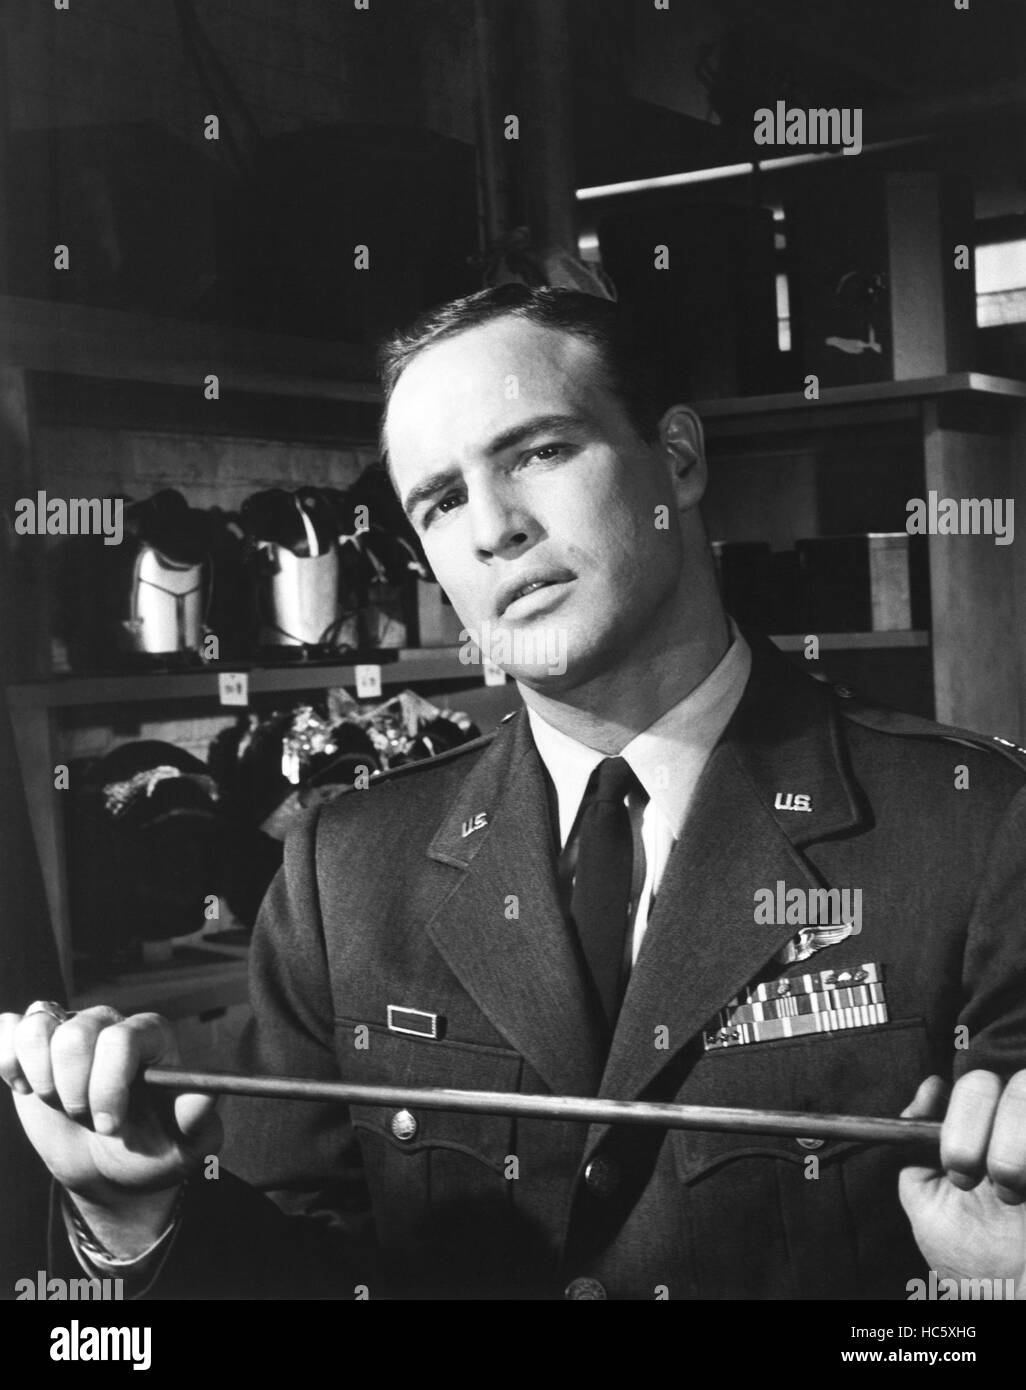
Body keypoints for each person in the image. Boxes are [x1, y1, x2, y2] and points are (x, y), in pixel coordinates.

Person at [2, 285, 1026, 1301]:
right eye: (441, 501)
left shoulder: (970, 823)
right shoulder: (344, 870)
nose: (492, 528)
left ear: (678, 456)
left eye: (538, 450)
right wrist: (135, 1219)